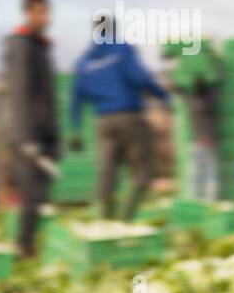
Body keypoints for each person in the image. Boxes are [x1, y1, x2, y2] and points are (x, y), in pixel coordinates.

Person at [69, 12, 170, 220]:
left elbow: (76, 98)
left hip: (103, 122)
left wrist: (74, 129)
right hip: (129, 117)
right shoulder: (121, 49)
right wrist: (162, 97)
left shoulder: (83, 62)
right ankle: (125, 220)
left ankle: (105, 224)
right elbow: (140, 77)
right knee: (142, 172)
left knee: (106, 175)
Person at [2, 0, 60, 257]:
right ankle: (23, 247)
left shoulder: (40, 45)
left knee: (39, 192)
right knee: (31, 192)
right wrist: (27, 138)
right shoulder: (23, 45)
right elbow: (21, 92)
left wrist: (53, 136)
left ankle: (29, 243)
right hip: (29, 134)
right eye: (38, 13)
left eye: (46, 12)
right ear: (27, 13)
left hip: (43, 132)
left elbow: (46, 94)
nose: (44, 18)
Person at [168, 51, 223, 201]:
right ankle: (211, 200)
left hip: (197, 142)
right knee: (211, 173)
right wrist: (213, 60)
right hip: (210, 141)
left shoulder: (191, 101)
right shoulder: (212, 99)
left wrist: (174, 68)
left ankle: (193, 199)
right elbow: (219, 80)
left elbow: (176, 88)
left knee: (195, 174)